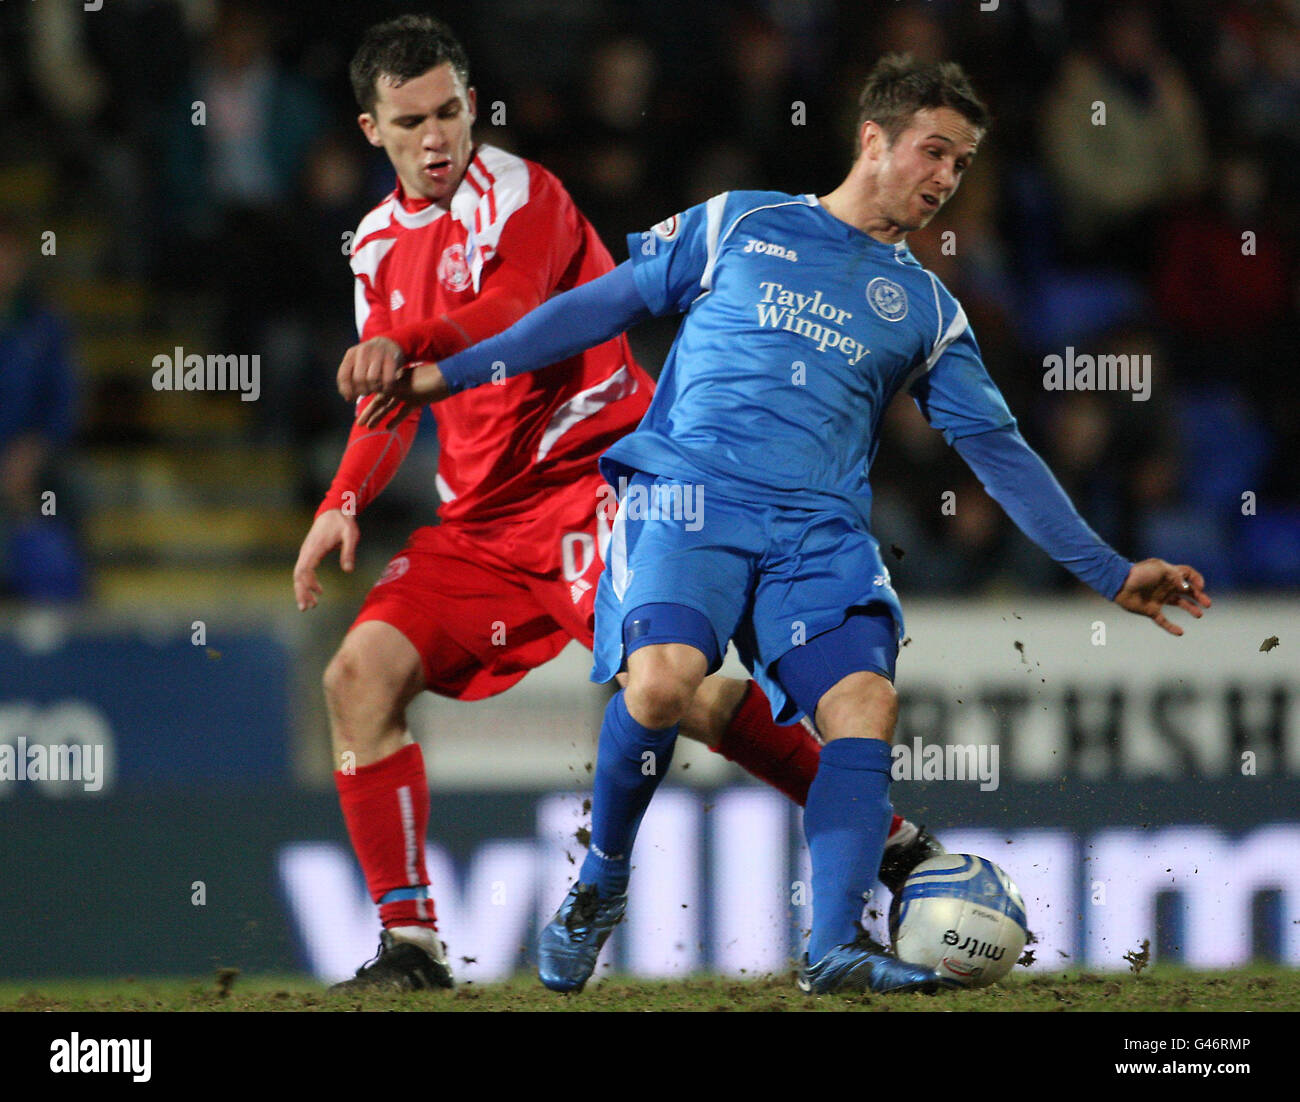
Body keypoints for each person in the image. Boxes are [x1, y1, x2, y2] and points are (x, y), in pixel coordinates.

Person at [361, 54, 1212, 996]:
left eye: (962, 166)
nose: (945, 180)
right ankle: (601, 879)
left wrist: (1107, 569)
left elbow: (1000, 452)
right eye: (933, 153)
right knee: (663, 684)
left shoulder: (930, 312)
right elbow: (601, 305)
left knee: (865, 707)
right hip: (688, 499)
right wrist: (456, 372)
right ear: (873, 139)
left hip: (818, 534)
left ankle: (835, 947)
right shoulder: (743, 221)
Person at [293, 16, 940, 995]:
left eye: (451, 111)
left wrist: (409, 339)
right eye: (411, 120)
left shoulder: (523, 193)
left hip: (596, 484)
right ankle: (411, 948)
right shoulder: (376, 242)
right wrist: (343, 499)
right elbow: (394, 395)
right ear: (369, 128)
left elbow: (504, 319)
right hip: (480, 527)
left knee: (673, 689)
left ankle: (883, 840)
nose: (437, 136)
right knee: (357, 678)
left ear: (472, 105)